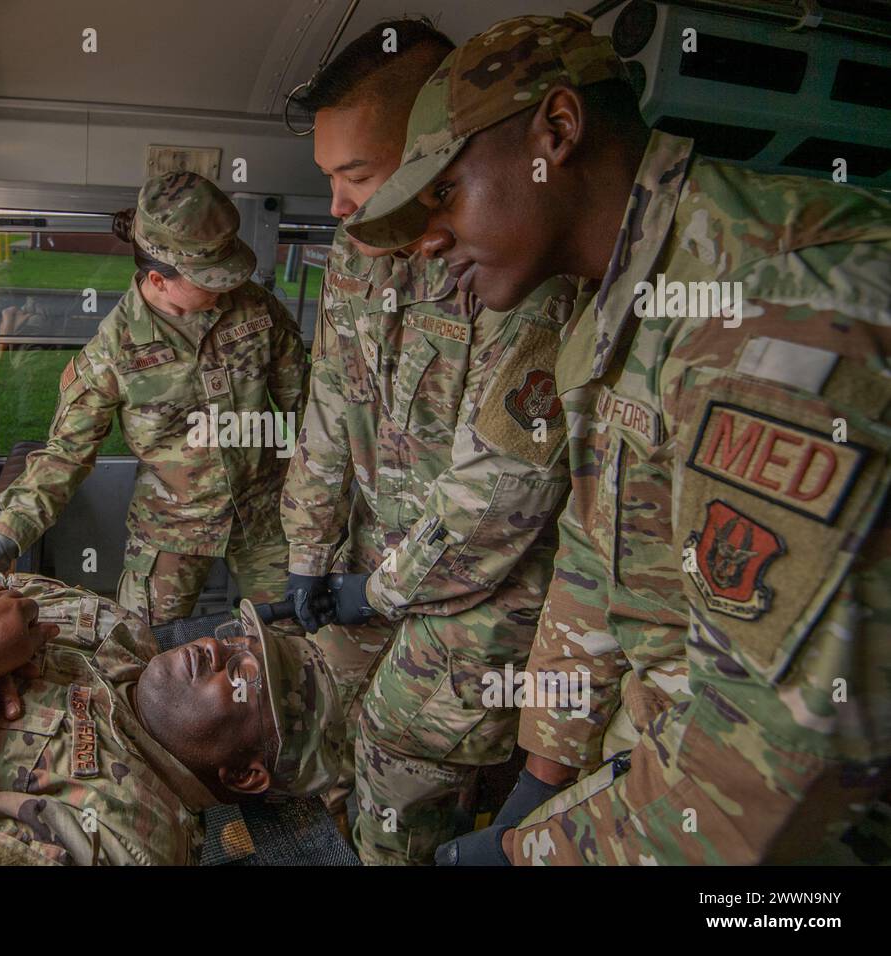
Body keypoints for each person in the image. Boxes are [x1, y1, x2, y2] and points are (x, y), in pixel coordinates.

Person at [347, 12, 891, 865]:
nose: (426, 239)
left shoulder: (773, 305)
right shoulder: (612, 307)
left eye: (444, 191)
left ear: (556, 130)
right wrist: (543, 774)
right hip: (658, 778)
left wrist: (536, 854)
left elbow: (783, 766)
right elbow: (596, 561)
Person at [281, 18, 576, 863]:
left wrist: (373, 592)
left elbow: (496, 508)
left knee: (402, 778)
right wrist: (309, 551)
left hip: (480, 595)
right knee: (319, 730)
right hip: (371, 564)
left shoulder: (521, 258)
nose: (336, 205)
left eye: (356, 175)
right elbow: (330, 398)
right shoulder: (357, 248)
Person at [0, 172, 308, 632]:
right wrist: (8, 533)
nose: (227, 285)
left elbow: (300, 410)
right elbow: (67, 455)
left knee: (293, 631)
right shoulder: (114, 351)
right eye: (209, 277)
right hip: (170, 528)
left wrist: (307, 496)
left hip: (263, 514)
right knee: (139, 646)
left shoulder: (257, 309)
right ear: (159, 279)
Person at [0, 561, 344, 865]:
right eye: (237, 641)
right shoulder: (120, 630)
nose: (214, 647)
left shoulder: (119, 841)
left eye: (242, 678)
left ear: (244, 773)